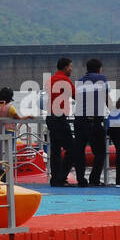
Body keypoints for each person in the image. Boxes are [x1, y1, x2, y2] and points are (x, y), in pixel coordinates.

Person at [72, 58, 109, 186]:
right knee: (100, 152)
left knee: (79, 151)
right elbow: (106, 98)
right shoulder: (102, 79)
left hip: (79, 120)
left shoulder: (79, 82)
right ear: (99, 69)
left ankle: (81, 180)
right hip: (95, 121)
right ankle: (94, 179)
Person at [45, 57, 76, 186]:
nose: (71, 69)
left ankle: (55, 178)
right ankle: (61, 177)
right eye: (70, 67)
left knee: (56, 150)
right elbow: (76, 96)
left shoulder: (50, 80)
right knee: (73, 149)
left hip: (50, 117)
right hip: (59, 118)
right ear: (65, 67)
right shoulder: (64, 80)